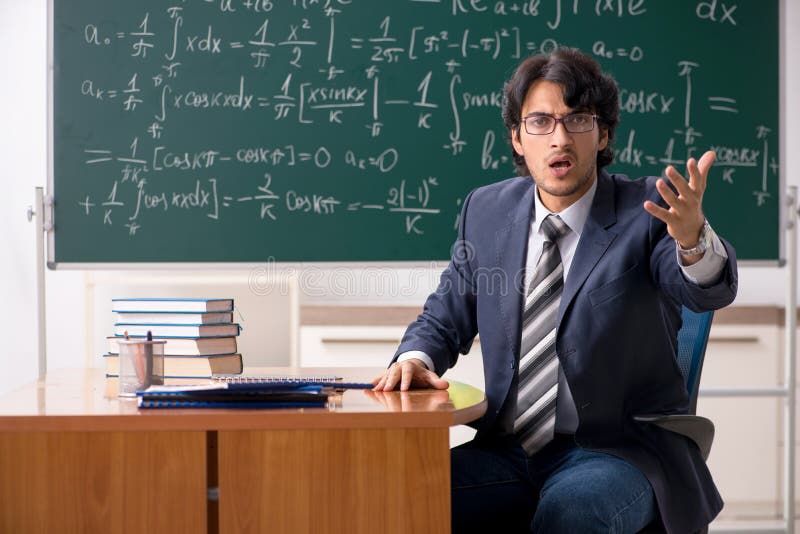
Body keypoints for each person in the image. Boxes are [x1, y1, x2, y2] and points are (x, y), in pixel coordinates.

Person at [372, 47, 737, 534]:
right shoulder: (486, 210)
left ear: (603, 133)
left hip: (619, 452)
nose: (559, 138)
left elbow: (704, 292)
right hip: (507, 451)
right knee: (391, 499)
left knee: (571, 514)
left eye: (578, 120)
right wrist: (415, 358)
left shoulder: (648, 211)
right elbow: (445, 313)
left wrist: (693, 240)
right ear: (518, 138)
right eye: (540, 122)